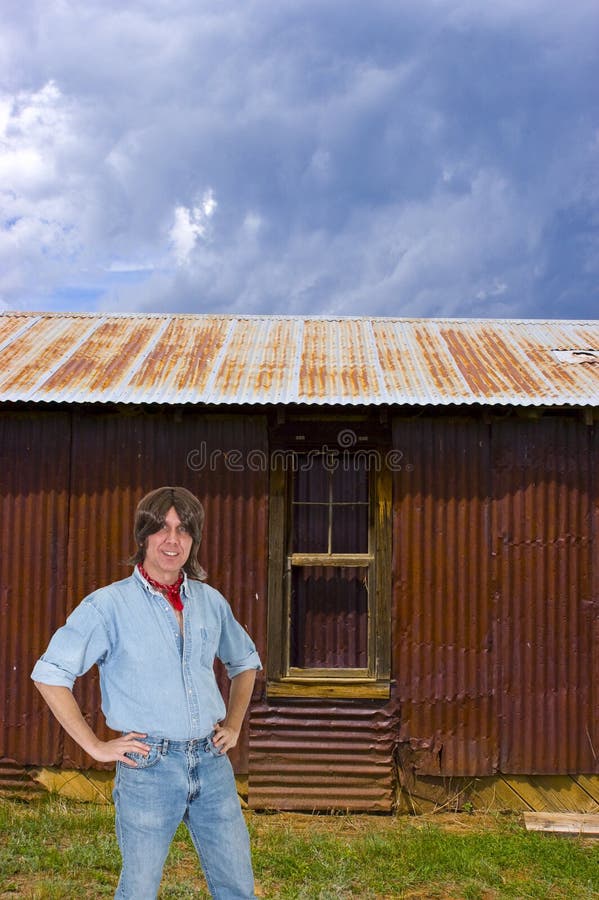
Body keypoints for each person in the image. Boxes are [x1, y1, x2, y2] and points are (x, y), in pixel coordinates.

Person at [31, 485, 261, 899]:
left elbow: (244, 662)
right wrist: (95, 746)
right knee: (139, 889)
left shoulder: (210, 602)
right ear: (143, 537)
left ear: (194, 540)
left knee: (238, 887)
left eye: (183, 530)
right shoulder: (108, 606)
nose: (173, 540)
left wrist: (233, 723)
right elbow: (50, 673)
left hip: (211, 762)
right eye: (162, 529)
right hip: (149, 766)